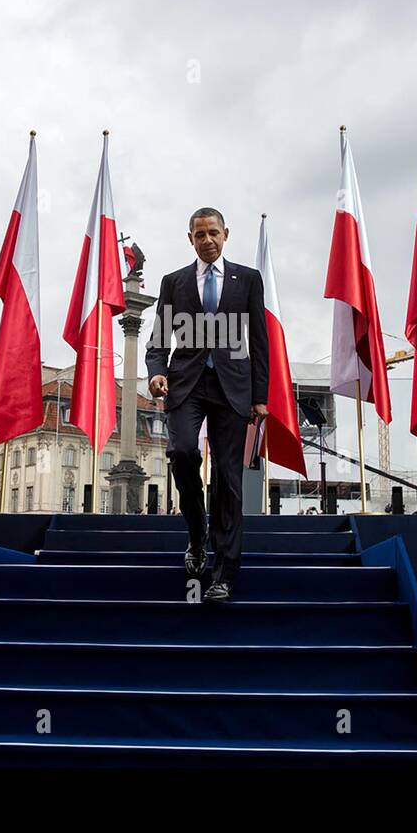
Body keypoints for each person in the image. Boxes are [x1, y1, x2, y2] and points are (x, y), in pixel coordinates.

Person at [145, 207, 269, 603]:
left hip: (233, 388)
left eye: (214, 233)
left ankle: (224, 574)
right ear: (191, 239)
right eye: (200, 235)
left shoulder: (247, 280)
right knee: (182, 453)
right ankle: (197, 534)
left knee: (228, 481)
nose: (208, 240)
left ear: (226, 234)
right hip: (186, 384)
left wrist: (261, 396)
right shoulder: (174, 282)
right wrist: (156, 370)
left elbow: (260, 342)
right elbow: (159, 336)